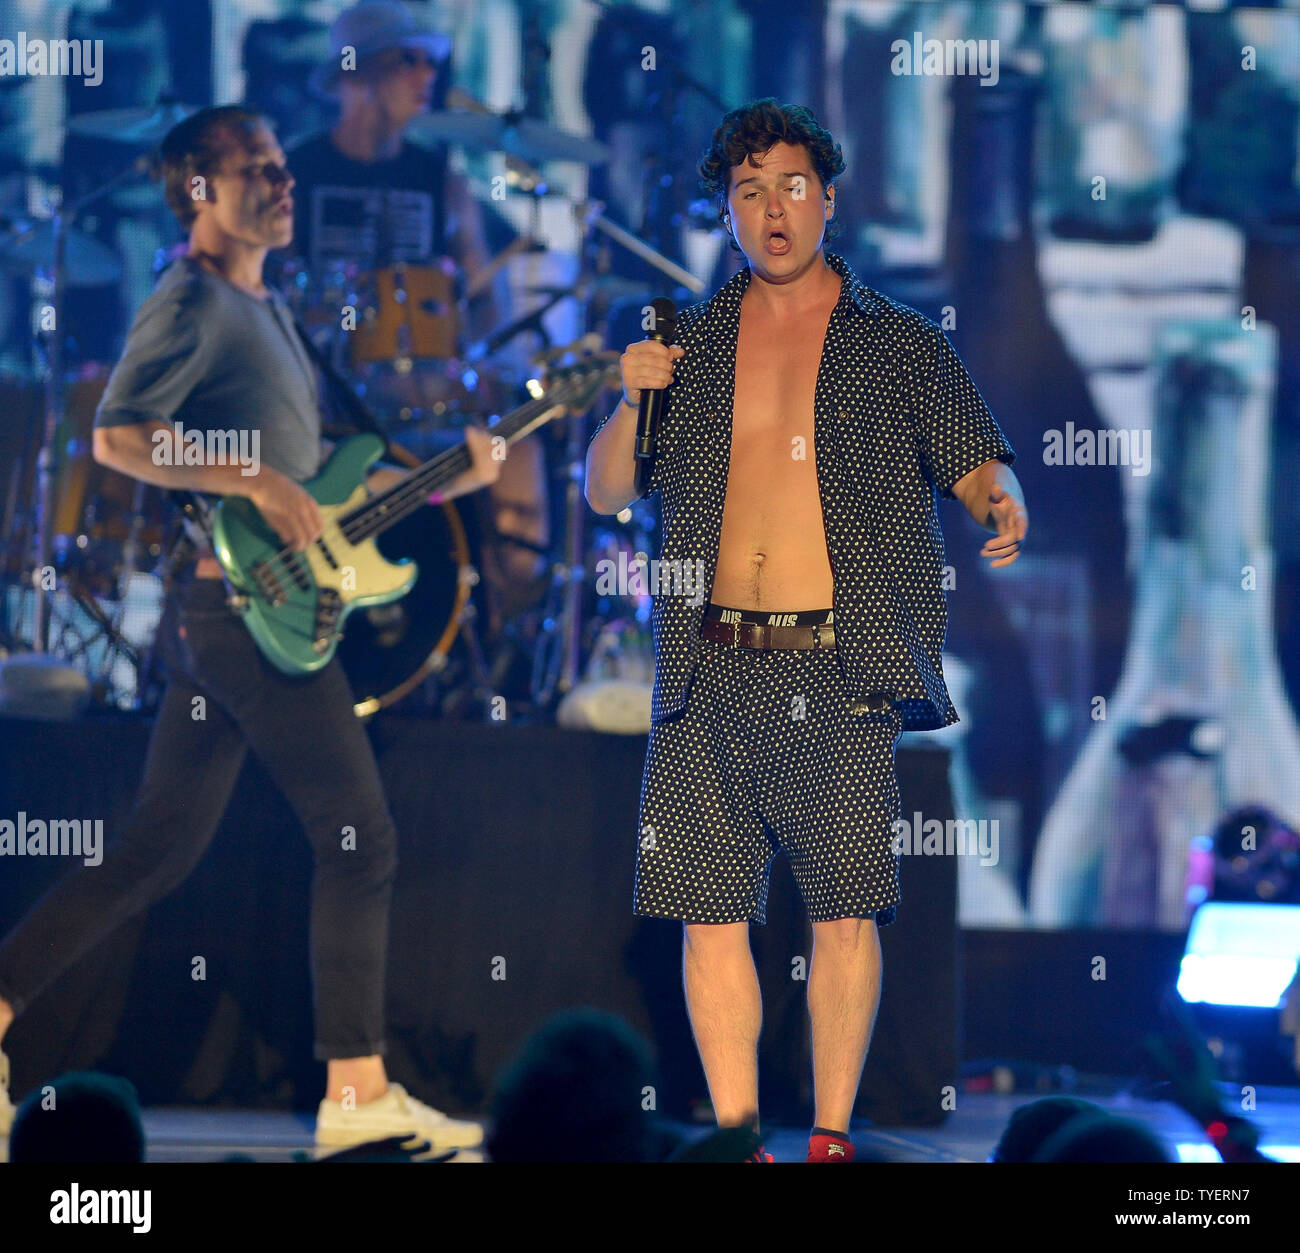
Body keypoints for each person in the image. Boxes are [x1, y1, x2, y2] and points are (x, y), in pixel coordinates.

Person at [0, 105, 500, 1154]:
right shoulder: (191, 296)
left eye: (281, 167)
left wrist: (454, 469)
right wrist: (253, 475)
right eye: (257, 171)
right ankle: (357, 1102)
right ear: (199, 193)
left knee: (151, 850)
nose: (283, 184)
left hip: (242, 607)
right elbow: (119, 434)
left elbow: (326, 481)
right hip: (240, 611)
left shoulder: (263, 307)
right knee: (359, 837)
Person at [586, 98, 1029, 1163]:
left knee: (843, 909)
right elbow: (607, 492)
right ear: (726, 213)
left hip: (835, 663)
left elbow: (975, 457)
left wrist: (999, 501)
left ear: (827, 199)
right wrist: (622, 396)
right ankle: (740, 1136)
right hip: (707, 660)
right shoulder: (681, 345)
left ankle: (829, 1134)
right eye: (748, 192)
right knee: (707, 911)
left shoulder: (900, 343)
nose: (773, 210)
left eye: (791, 187)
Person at [290, 0, 549, 632]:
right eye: (408, 59)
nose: (426, 76)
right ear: (357, 72)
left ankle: (504, 661)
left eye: (431, 61)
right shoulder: (296, 173)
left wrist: (493, 362)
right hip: (321, 398)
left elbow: (484, 297)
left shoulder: (441, 177)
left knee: (522, 458)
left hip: (428, 391)